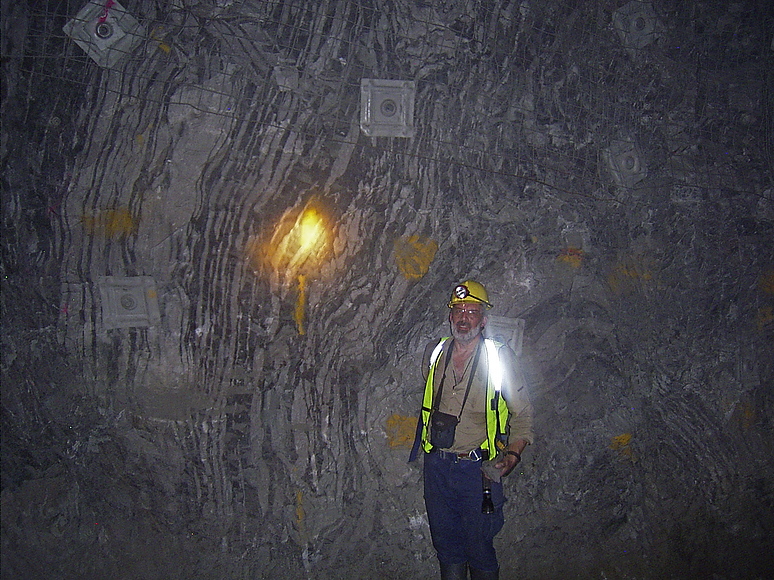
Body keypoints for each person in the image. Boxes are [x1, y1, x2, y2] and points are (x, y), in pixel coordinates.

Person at [409, 280, 534, 580]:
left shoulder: (499, 358)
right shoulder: (435, 353)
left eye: (472, 311)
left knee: (479, 546)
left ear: (484, 320)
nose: (464, 318)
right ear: (450, 316)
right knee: (446, 546)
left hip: (477, 471)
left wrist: (512, 455)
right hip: (437, 466)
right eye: (459, 311)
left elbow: (523, 413)